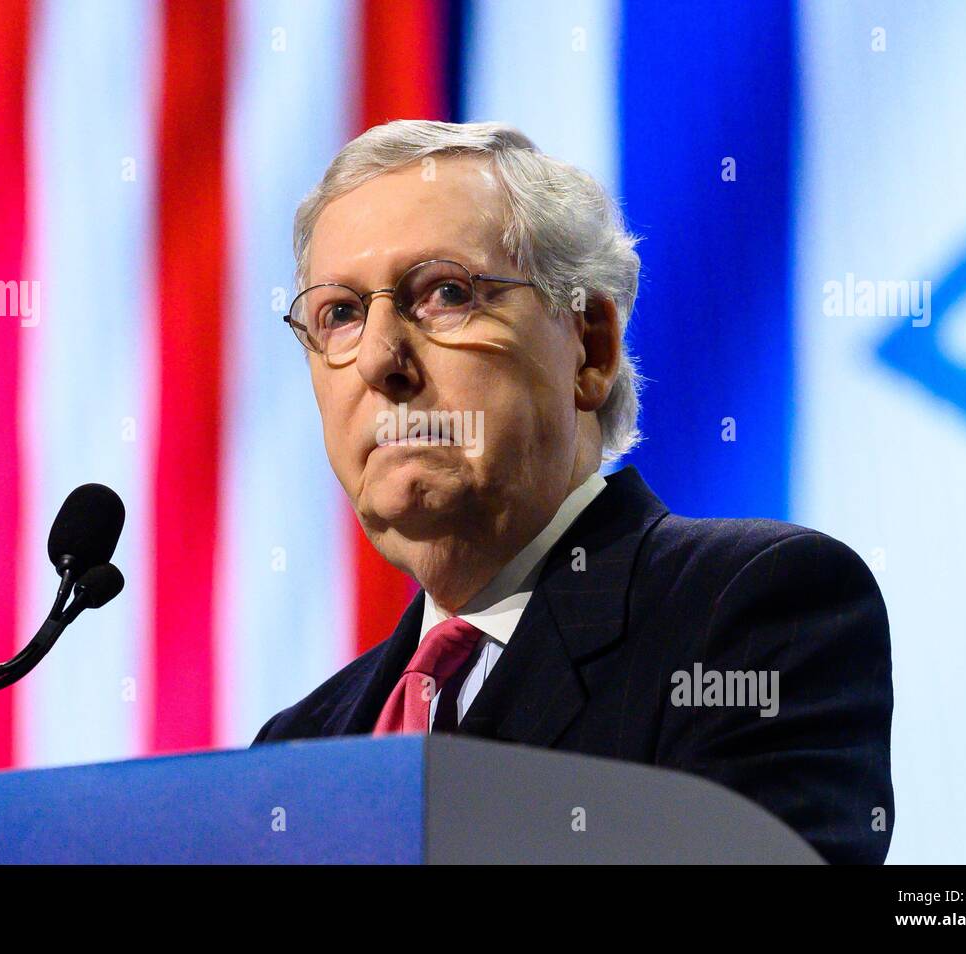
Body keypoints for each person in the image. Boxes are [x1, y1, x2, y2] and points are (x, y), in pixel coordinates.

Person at [254, 120, 894, 865]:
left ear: (589, 348)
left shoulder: (751, 609)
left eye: (445, 293)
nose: (378, 359)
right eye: (340, 314)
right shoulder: (301, 745)